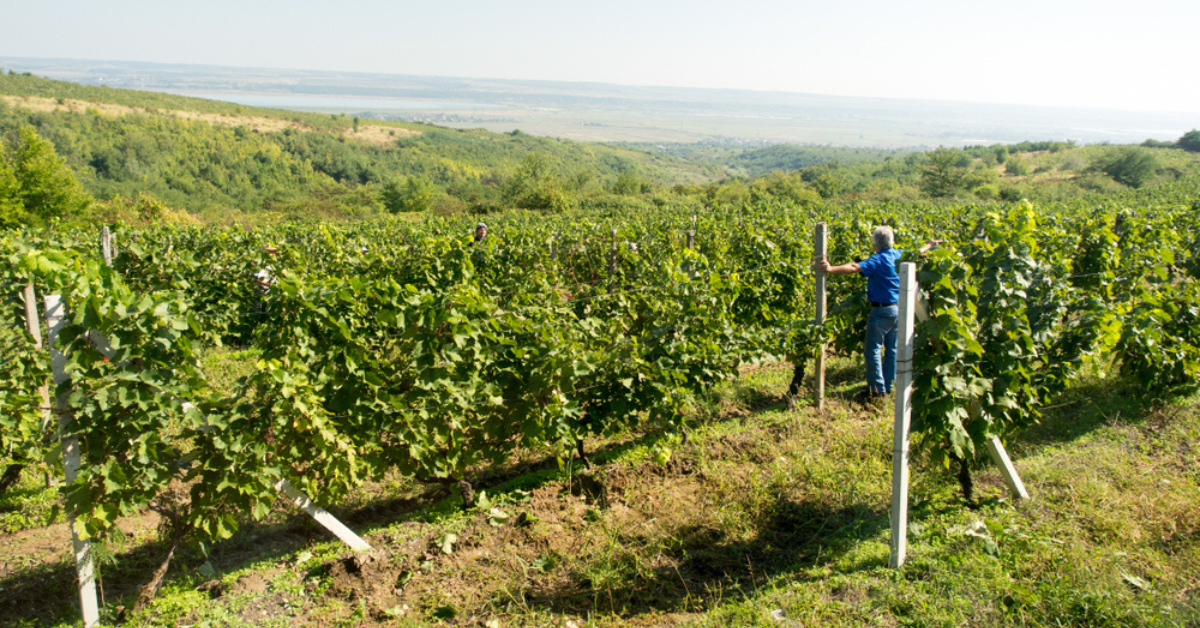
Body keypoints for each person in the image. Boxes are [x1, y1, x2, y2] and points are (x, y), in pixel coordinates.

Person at [815, 226, 905, 401]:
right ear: (892, 241)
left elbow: (854, 267)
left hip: (881, 310)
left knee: (873, 349)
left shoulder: (877, 260)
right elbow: (918, 252)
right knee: (892, 349)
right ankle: (888, 385)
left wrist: (830, 269)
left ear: (874, 245)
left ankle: (877, 389)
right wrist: (930, 245)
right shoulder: (899, 254)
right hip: (898, 309)